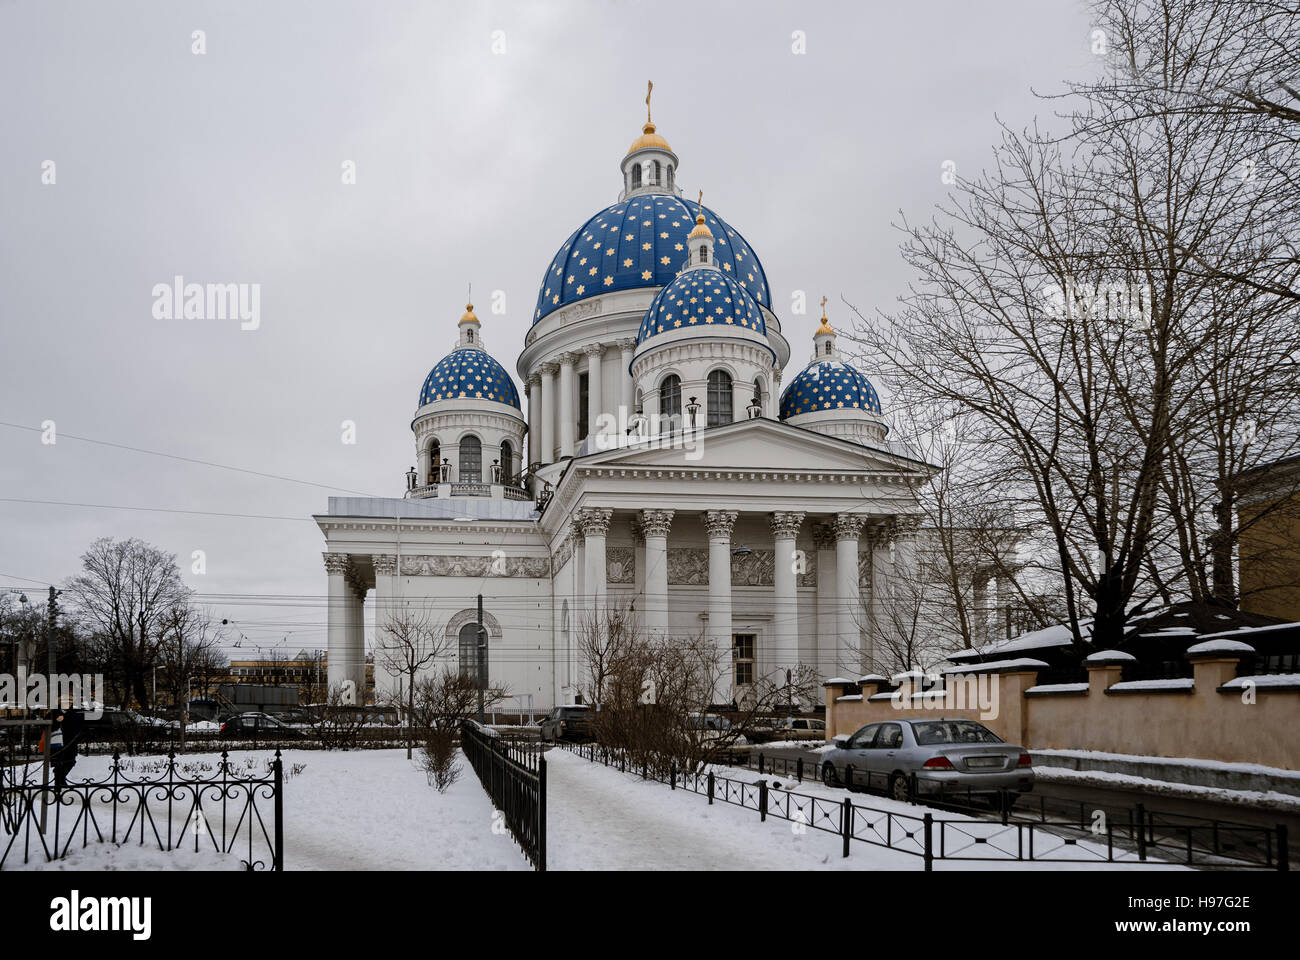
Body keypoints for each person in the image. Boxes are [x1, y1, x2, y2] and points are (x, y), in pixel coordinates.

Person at [48, 704, 85, 790]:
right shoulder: (55, 711)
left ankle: (61, 778)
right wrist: (56, 721)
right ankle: (58, 782)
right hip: (58, 741)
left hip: (71, 740)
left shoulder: (76, 710)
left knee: (71, 761)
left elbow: (81, 723)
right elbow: (47, 724)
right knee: (59, 762)